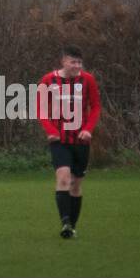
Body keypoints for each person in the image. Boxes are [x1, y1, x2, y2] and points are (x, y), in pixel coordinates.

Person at [38, 46, 101, 239]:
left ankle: (71, 226)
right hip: (60, 141)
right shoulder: (48, 81)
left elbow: (96, 107)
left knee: (75, 185)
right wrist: (51, 131)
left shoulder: (88, 80)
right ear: (63, 61)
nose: (77, 66)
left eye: (80, 63)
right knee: (64, 178)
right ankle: (65, 222)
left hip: (80, 141)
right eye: (73, 62)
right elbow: (41, 109)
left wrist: (87, 130)